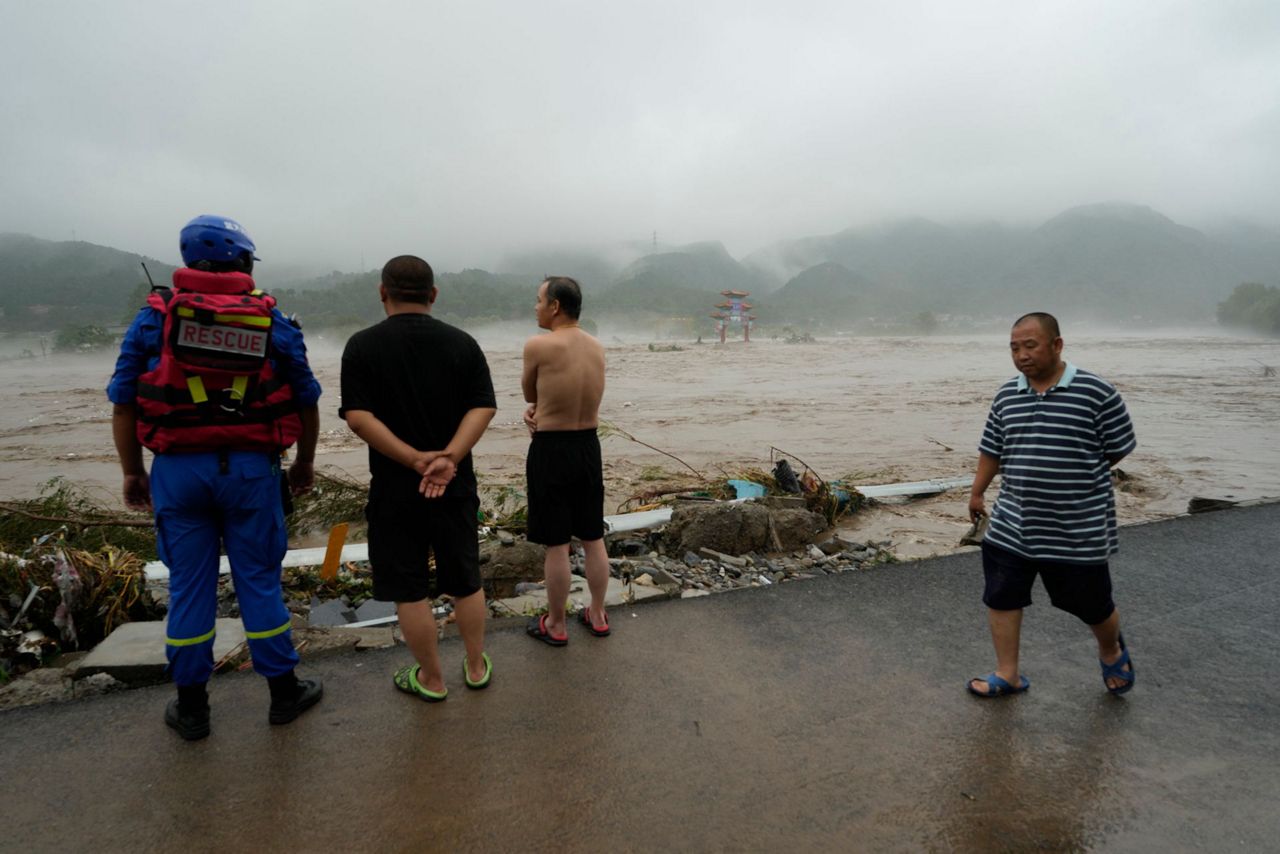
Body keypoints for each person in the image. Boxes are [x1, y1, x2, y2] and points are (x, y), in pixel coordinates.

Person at [107, 215, 323, 741]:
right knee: (258, 581)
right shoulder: (272, 321)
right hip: (251, 471)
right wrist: (303, 463)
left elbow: (123, 404)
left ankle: (193, 707)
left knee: (188, 588)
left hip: (178, 473)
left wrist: (133, 472)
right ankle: (283, 694)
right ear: (244, 263)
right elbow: (306, 400)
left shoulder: (153, 321)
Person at [340, 255, 496, 701]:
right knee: (465, 578)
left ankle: (431, 678)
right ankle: (475, 664)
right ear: (433, 295)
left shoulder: (362, 346)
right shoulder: (463, 343)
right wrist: (449, 458)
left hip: (394, 489)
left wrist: (414, 460)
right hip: (456, 484)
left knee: (408, 589)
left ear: (382, 291)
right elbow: (482, 406)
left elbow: (357, 417)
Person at [967, 312, 1137, 697]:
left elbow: (1117, 448)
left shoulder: (1097, 392)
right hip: (1013, 521)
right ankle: (1007, 674)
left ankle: (1110, 648)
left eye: (1030, 345)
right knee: (1001, 595)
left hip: (1076, 528)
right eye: (1014, 347)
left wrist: (1073, 475)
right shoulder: (1007, 395)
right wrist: (977, 492)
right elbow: (992, 448)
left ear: (1057, 345)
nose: (1021, 355)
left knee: (1092, 604)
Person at [521, 277, 611, 645]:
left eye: (539, 300)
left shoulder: (538, 345)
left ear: (555, 306)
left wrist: (535, 410)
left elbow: (531, 392)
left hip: (552, 448)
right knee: (592, 536)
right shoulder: (597, 347)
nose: (536, 306)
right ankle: (598, 613)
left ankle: (556, 625)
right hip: (588, 446)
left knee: (556, 543)